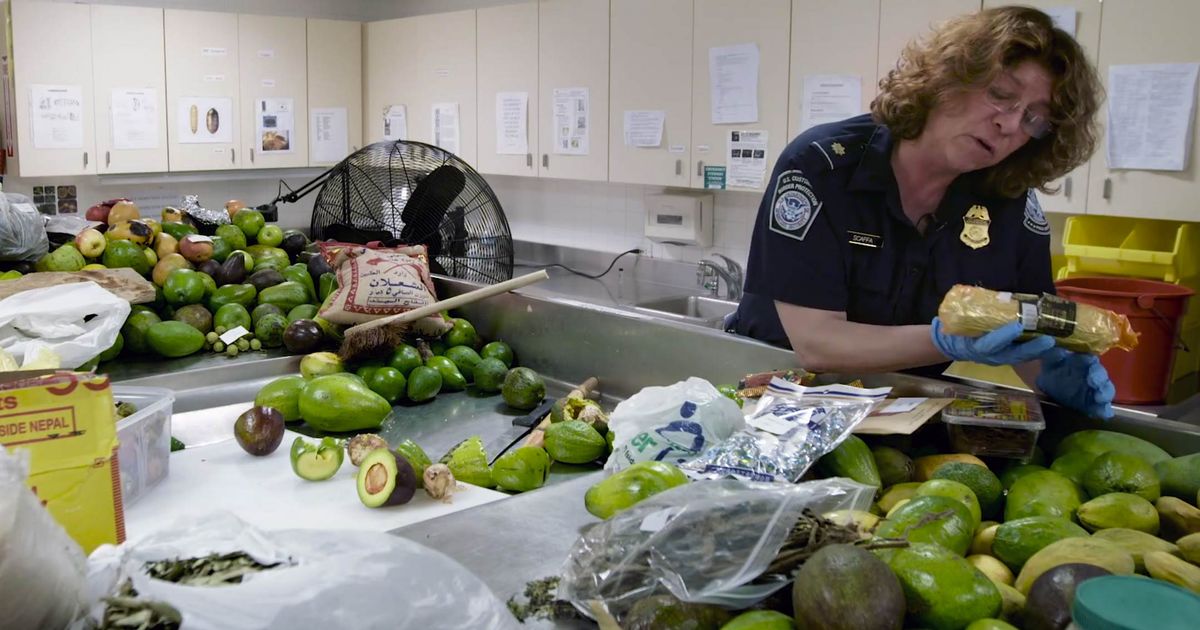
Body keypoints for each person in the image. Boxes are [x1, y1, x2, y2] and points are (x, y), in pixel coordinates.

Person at [730, 6, 1115, 418]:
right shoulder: (821, 167)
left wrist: (1055, 376)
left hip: (903, 416)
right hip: (769, 404)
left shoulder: (1010, 204)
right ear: (949, 77)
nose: (1010, 125)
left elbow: (1023, 332)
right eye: (1002, 94)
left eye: (1034, 120)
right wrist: (946, 340)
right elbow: (817, 345)